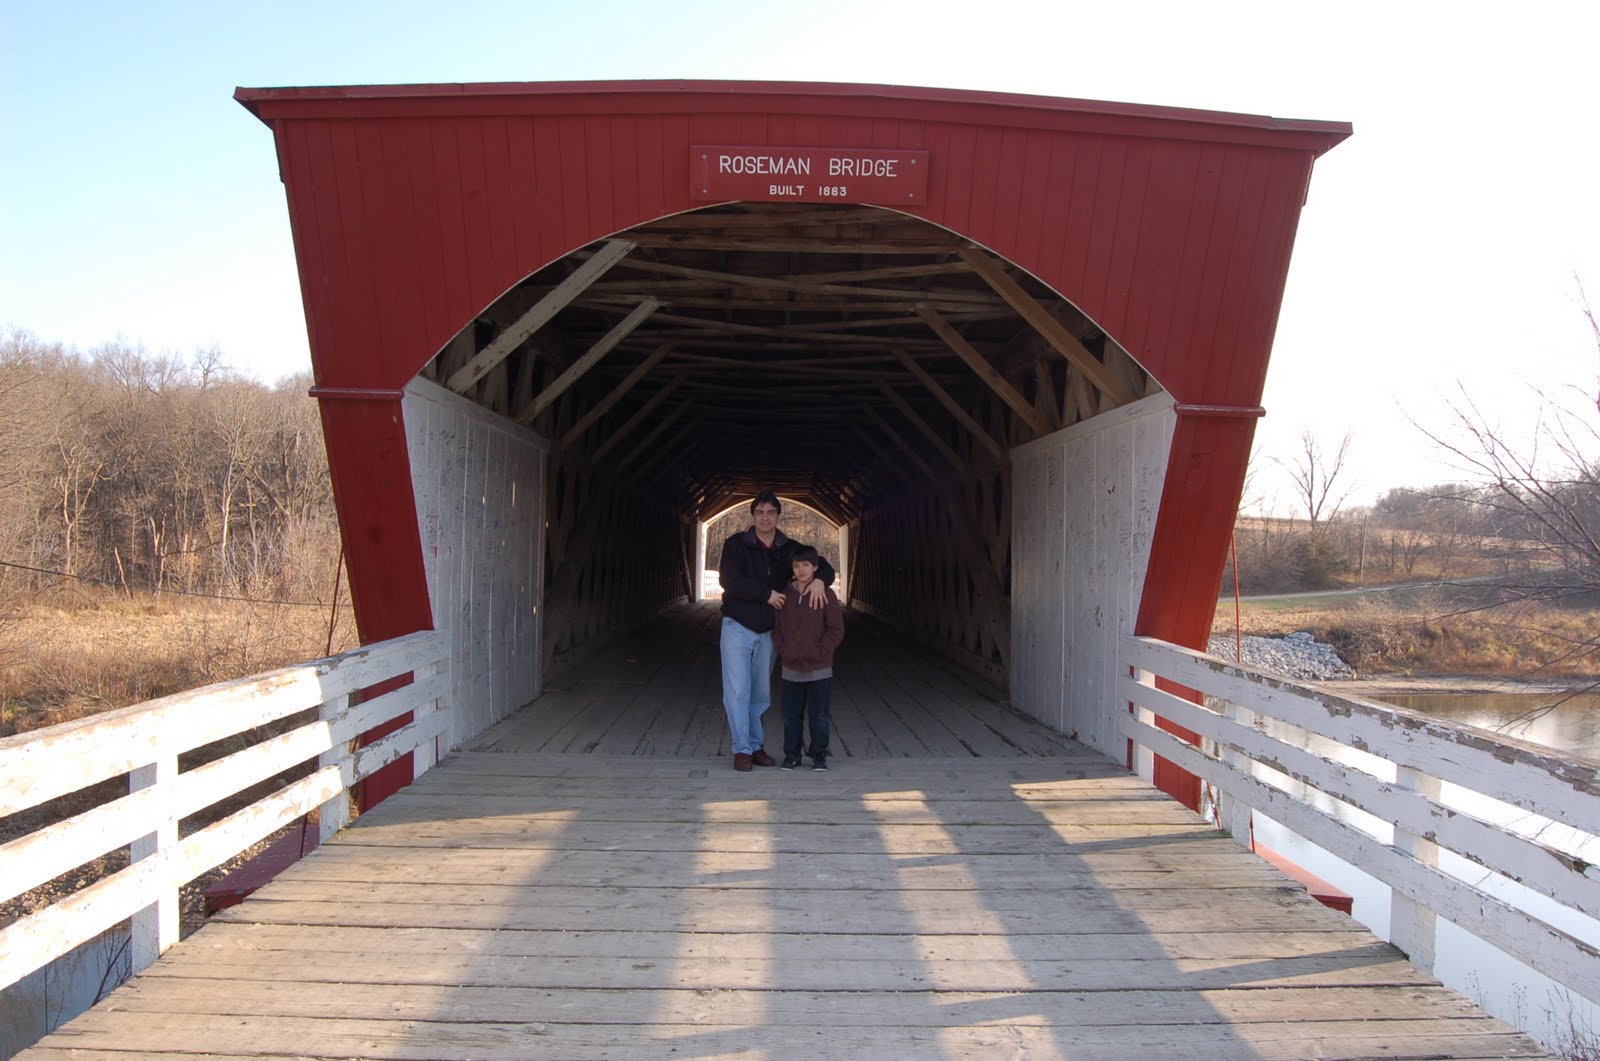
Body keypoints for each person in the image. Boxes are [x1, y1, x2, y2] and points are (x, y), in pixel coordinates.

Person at [718, 491, 834, 772]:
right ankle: (741, 750)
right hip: (737, 626)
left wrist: (820, 581)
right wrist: (766, 594)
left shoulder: (788, 547)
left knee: (760, 693)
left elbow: (823, 567)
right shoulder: (736, 544)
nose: (765, 517)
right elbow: (729, 581)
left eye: (771, 512)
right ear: (753, 516)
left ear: (778, 515)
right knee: (737, 691)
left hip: (769, 631)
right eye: (760, 512)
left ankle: (756, 746)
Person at [771, 546, 843, 771]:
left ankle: (819, 755)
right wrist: (785, 650)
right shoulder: (785, 595)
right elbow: (777, 629)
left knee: (819, 716)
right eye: (796, 566)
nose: (800, 570)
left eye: (805, 565)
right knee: (791, 716)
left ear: (815, 568)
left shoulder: (826, 595)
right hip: (791, 667)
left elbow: (836, 629)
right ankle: (792, 756)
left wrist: (821, 651)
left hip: (819, 668)